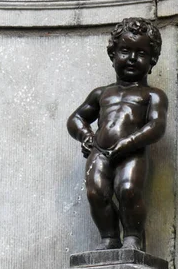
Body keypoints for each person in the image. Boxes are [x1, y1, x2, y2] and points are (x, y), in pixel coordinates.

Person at [67, 18, 168, 251]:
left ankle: (133, 237)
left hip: (132, 152)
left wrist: (128, 144)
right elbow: (75, 118)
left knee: (129, 189)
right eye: (125, 50)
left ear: (152, 60)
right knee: (95, 192)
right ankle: (109, 238)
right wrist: (86, 136)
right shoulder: (101, 94)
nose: (132, 58)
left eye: (141, 53)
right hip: (100, 152)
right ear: (113, 54)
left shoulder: (153, 95)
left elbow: (157, 126)